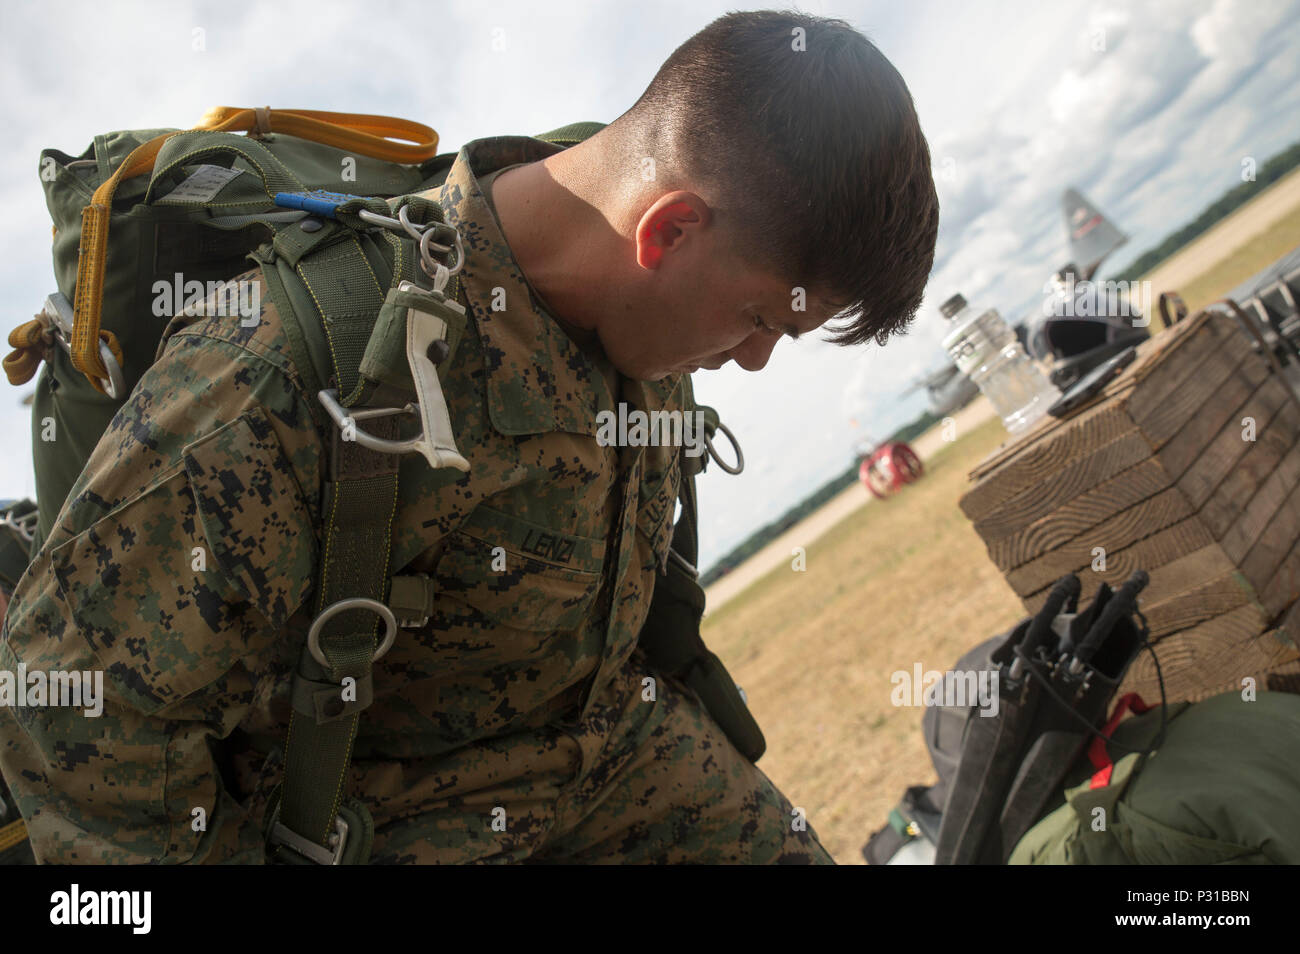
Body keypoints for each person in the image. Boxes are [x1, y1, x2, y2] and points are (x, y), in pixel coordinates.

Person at [0, 9, 938, 864]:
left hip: (613, 757)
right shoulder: (294, 365)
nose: (755, 360)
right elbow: (74, 709)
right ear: (670, 231)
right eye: (761, 319)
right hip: (376, 823)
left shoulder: (643, 315)